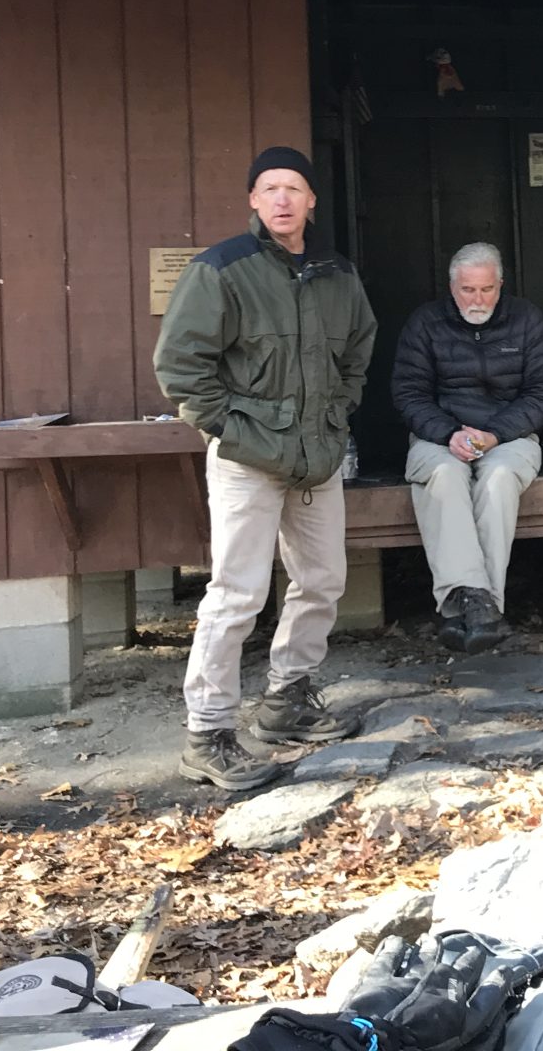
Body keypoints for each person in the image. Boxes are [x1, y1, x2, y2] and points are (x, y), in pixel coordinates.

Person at [154, 146, 377, 791]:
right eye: (270, 188)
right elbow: (181, 365)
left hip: (318, 457)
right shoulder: (222, 269)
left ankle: (287, 702)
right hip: (248, 459)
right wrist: (229, 427)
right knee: (237, 594)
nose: (282, 199)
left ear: (311, 202)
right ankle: (209, 732)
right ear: (253, 200)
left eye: (294, 188)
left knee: (323, 580)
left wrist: (339, 412)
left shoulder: (338, 274)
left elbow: (358, 349)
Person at [392, 242, 543, 653]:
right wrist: (448, 432)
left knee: (499, 479)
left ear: (500, 284)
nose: (478, 299)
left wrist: (496, 435)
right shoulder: (425, 323)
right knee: (445, 476)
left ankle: (465, 608)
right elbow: (409, 394)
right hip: (439, 436)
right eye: (468, 290)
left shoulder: (526, 319)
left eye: (487, 289)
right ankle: (484, 610)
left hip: (510, 435)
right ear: (452, 287)